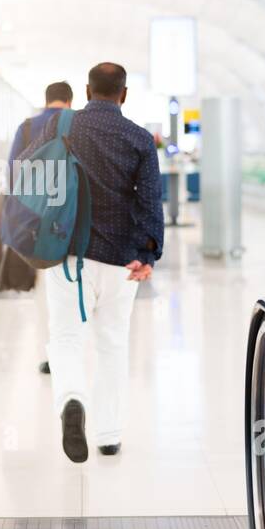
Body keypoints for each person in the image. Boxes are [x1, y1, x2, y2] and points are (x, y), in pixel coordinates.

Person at [22, 62, 163, 462]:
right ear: (124, 94)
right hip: (122, 261)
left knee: (66, 336)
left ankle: (71, 400)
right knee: (113, 344)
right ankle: (109, 434)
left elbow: (26, 169)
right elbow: (151, 200)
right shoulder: (138, 138)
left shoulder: (61, 126)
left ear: (86, 90)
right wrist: (149, 253)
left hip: (69, 253)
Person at [0, 81, 73, 374]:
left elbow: (13, 175)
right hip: (73, 220)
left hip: (38, 225)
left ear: (46, 100)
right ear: (69, 100)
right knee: (73, 286)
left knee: (46, 292)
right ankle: (72, 349)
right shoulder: (78, 124)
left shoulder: (27, 128)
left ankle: (52, 353)